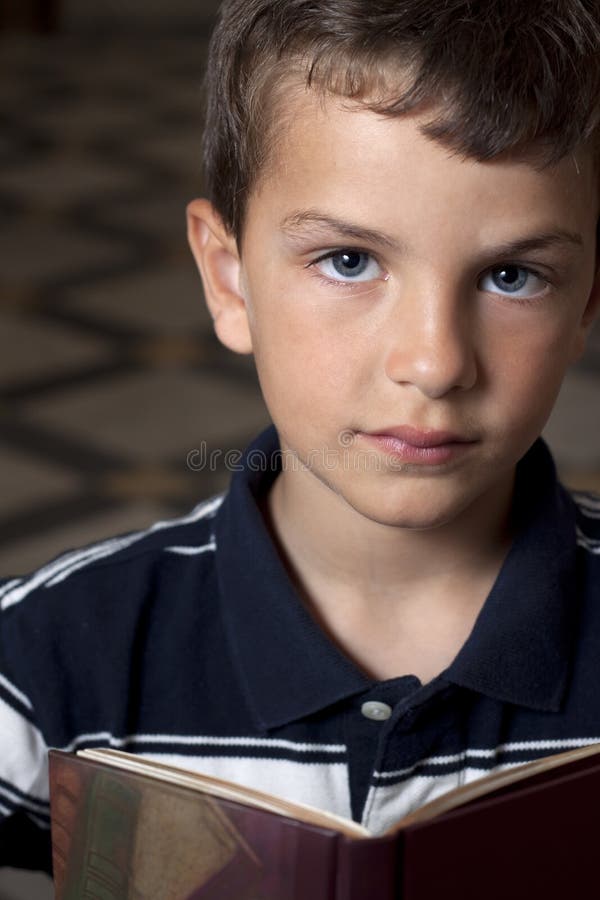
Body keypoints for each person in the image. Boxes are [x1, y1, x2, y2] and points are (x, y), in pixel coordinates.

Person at [1, 0, 600, 875]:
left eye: (512, 275)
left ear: (587, 299)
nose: (433, 363)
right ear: (229, 279)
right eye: (349, 260)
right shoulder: (44, 662)